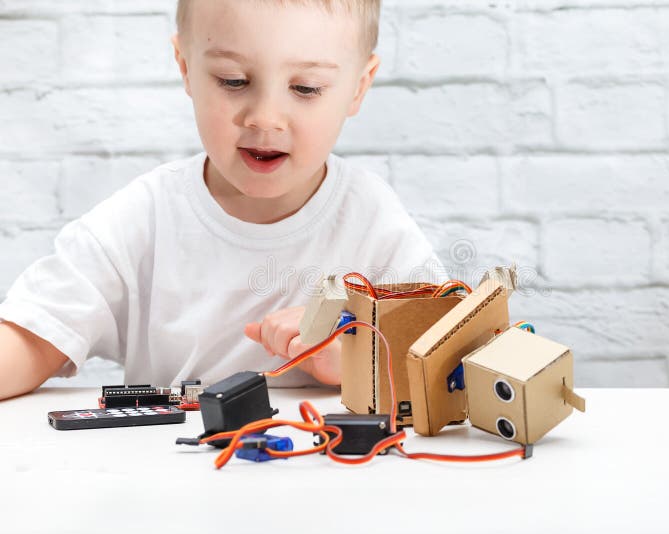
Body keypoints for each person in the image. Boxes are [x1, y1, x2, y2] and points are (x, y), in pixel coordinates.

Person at [0, 0, 445, 400]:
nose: (265, 119)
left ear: (358, 86)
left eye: (306, 88)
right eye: (233, 81)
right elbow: (30, 336)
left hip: (330, 480)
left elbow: (447, 354)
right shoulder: (144, 218)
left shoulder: (371, 220)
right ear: (186, 68)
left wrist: (358, 354)